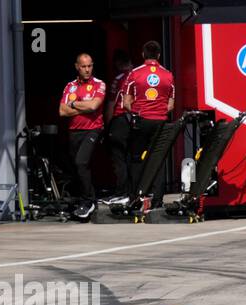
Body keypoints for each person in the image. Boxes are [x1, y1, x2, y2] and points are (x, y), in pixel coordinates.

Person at [121, 41, 175, 208]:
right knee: (157, 159)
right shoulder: (168, 74)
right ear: (159, 55)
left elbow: (126, 102)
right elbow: (171, 104)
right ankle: (158, 200)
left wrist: (138, 111)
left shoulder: (134, 73)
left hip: (141, 120)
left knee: (136, 158)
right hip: (160, 122)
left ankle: (136, 198)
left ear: (143, 54)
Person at [59, 53, 105, 220]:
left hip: (93, 129)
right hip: (74, 131)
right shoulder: (69, 86)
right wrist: (82, 107)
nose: (87, 69)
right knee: (76, 168)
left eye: (90, 66)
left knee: (81, 162)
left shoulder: (99, 84)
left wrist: (73, 104)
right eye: (84, 66)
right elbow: (62, 111)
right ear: (77, 67)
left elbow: (94, 105)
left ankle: (88, 201)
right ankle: (86, 199)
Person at [104, 50, 134, 202]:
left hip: (120, 121)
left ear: (117, 63)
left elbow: (110, 105)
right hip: (137, 121)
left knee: (119, 158)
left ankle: (122, 192)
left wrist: (106, 126)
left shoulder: (119, 79)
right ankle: (133, 191)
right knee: (132, 157)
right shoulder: (139, 76)